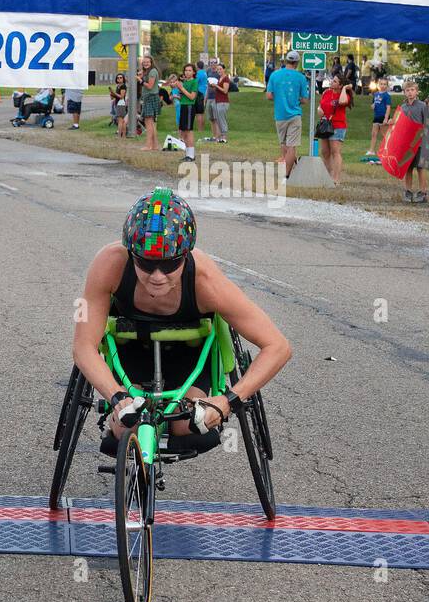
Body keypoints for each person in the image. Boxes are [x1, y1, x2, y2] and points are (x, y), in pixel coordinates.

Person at [73, 188, 292, 450]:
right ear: (130, 252)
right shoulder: (108, 264)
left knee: (184, 425)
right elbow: (84, 346)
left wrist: (227, 401)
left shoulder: (206, 280)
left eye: (169, 265)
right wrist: (116, 397)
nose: (157, 276)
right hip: (129, 351)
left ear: (186, 255)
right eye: (145, 263)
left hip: (189, 358)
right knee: (126, 428)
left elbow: (278, 347)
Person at [265, 49, 310, 178]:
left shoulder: (275, 75)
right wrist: (296, 100)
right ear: (296, 63)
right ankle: (287, 174)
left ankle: (287, 169)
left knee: (284, 144)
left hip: (280, 115)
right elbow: (305, 100)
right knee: (292, 146)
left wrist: (280, 98)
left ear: (286, 61)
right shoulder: (301, 77)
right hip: (295, 115)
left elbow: (269, 96)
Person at [393, 78, 429, 203]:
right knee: (408, 167)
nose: (410, 92)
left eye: (412, 90)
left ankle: (423, 192)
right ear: (404, 92)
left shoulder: (422, 106)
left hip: (419, 143)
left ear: (417, 92)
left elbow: (428, 123)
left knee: (420, 168)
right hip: (407, 143)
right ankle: (408, 191)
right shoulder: (403, 107)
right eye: (407, 90)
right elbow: (399, 124)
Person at [318, 75, 353, 184]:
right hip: (325, 124)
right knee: (325, 152)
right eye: (332, 80)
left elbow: (342, 102)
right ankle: (327, 175)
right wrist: (319, 110)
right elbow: (321, 105)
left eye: (335, 81)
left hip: (338, 126)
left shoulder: (344, 95)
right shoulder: (327, 92)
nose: (331, 82)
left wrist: (344, 89)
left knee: (335, 151)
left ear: (340, 85)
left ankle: (336, 178)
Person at [171, 64, 198, 161]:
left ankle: (191, 155)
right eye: (186, 70)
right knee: (183, 131)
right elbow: (183, 96)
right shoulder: (185, 82)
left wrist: (181, 88)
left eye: (190, 70)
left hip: (189, 107)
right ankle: (188, 154)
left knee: (189, 131)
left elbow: (192, 97)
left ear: (193, 72)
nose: (187, 72)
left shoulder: (194, 82)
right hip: (183, 106)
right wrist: (176, 87)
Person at [365, 77, 392, 162]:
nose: (383, 86)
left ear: (387, 86)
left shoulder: (387, 96)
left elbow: (388, 107)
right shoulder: (376, 94)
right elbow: (374, 104)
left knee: (385, 135)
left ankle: (388, 151)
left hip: (383, 117)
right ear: (378, 84)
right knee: (374, 134)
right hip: (376, 117)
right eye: (381, 84)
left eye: (385, 84)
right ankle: (371, 150)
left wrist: (386, 118)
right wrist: (372, 106)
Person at [139, 53, 162, 151]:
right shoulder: (148, 72)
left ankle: (148, 146)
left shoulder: (152, 71)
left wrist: (140, 81)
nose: (146, 64)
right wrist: (141, 75)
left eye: (147, 62)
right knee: (151, 123)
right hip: (148, 97)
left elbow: (150, 86)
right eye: (144, 62)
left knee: (149, 123)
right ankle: (155, 146)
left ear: (151, 62)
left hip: (151, 97)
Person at [206, 62, 231, 143]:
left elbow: (225, 91)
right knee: (218, 119)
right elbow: (218, 90)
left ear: (224, 69)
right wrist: (212, 86)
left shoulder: (226, 78)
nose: (219, 70)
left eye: (220, 69)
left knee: (222, 119)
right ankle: (220, 137)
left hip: (223, 102)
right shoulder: (219, 78)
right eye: (218, 69)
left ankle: (224, 137)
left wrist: (216, 86)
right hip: (217, 101)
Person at [110, 72, 129, 137]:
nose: (119, 79)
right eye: (118, 78)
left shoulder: (123, 86)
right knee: (119, 120)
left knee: (120, 120)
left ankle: (120, 135)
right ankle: (121, 135)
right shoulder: (118, 86)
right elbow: (113, 97)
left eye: (121, 77)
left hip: (121, 103)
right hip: (117, 103)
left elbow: (121, 96)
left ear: (123, 79)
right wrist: (112, 94)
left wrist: (114, 93)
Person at [195, 59, 209, 135]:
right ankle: (201, 129)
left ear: (197, 66)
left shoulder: (199, 73)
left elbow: (195, 83)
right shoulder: (204, 72)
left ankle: (200, 130)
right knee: (201, 113)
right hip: (204, 93)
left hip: (199, 93)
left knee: (198, 113)